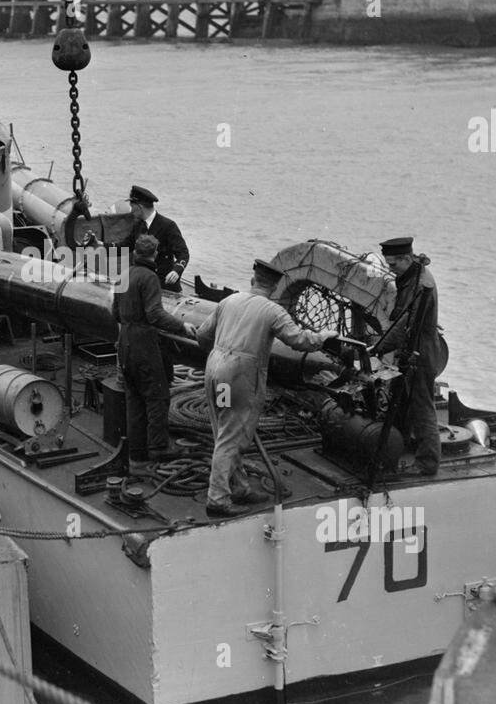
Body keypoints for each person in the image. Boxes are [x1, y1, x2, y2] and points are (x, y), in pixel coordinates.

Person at [195, 260, 337, 518]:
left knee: (224, 430)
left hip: (216, 372)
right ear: (274, 288)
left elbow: (203, 335)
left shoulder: (228, 301)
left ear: (253, 280)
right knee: (230, 436)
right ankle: (217, 499)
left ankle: (238, 486)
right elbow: (299, 340)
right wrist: (323, 337)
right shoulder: (273, 311)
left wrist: (220, 355)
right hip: (238, 376)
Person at [113, 235, 198, 476]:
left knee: (135, 400)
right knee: (157, 396)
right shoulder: (149, 277)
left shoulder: (123, 275)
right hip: (143, 344)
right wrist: (182, 326)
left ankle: (137, 458)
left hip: (125, 342)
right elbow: (155, 314)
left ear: (135, 253)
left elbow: (115, 313)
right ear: (155, 254)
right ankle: (159, 448)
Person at [374, 236, 441, 477]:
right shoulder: (412, 275)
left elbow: (404, 324)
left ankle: (427, 463)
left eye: (393, 264)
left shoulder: (420, 284)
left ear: (405, 258)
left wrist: (378, 348)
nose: (390, 269)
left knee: (422, 407)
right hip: (413, 349)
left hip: (420, 352)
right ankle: (395, 449)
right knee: (401, 401)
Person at [126, 184, 190, 386]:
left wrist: (176, 270)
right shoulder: (138, 226)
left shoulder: (167, 226)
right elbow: (124, 246)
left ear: (140, 206)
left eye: (132, 206)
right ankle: (153, 377)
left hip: (165, 288)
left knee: (164, 337)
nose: (130, 210)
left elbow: (183, 253)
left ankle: (166, 380)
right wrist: (100, 246)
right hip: (145, 287)